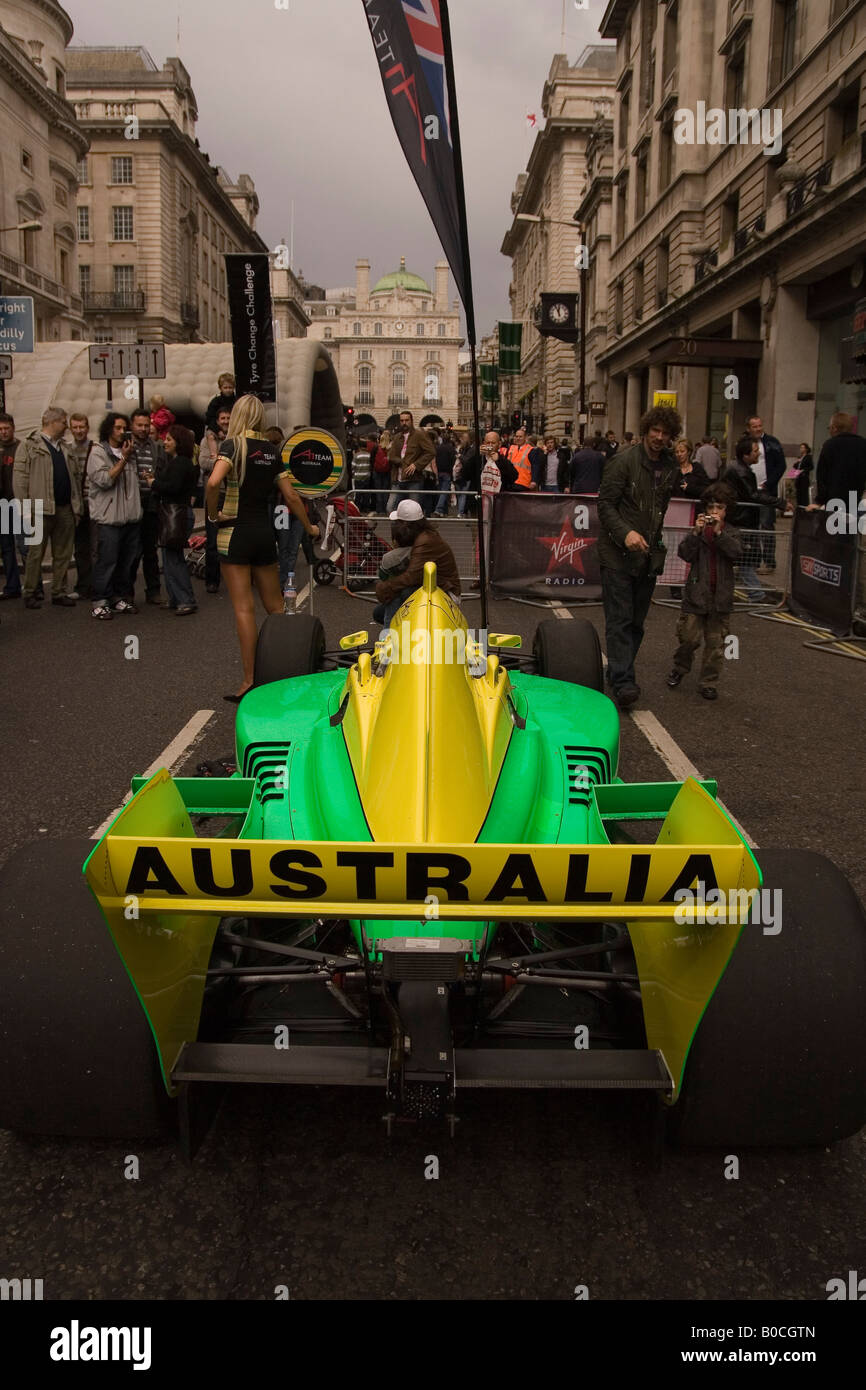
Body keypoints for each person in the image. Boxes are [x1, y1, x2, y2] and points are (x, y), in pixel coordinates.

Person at [206, 395, 319, 701]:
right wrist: (309, 528)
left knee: (244, 609)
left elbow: (214, 483)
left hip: (234, 534)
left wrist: (213, 514)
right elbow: (292, 496)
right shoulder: (271, 451)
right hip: (263, 534)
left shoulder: (231, 446)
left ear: (239, 416)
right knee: (277, 607)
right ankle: (287, 672)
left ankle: (249, 680)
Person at [597, 404, 681, 709]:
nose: (659, 437)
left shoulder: (670, 466)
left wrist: (651, 541)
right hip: (616, 554)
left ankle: (618, 670)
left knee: (636, 623)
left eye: (665, 433)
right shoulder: (623, 462)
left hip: (647, 556)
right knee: (619, 619)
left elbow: (661, 506)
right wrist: (626, 533)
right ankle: (623, 681)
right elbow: (605, 505)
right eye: (655, 431)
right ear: (645, 431)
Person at [666, 484, 742, 700]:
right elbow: (684, 554)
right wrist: (695, 533)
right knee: (688, 638)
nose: (714, 512)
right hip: (696, 595)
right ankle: (680, 668)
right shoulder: (698, 531)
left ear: (727, 510)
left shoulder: (731, 532)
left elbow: (736, 552)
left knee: (716, 644)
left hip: (721, 598)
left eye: (719, 507)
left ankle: (708, 682)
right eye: (711, 507)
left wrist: (718, 533)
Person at [14, 407, 81, 609]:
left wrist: (77, 506)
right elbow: (20, 480)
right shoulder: (29, 446)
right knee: (36, 552)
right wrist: (25, 509)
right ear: (52, 422)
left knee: (63, 552)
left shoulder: (65, 447)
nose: (66, 426)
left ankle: (59, 591)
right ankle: (31, 592)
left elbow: (75, 478)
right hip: (39, 507)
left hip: (64, 507)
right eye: (63, 422)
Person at [87, 413, 142, 619]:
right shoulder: (98, 453)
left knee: (126, 562)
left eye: (124, 428)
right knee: (107, 560)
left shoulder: (131, 451)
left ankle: (118, 597)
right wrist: (123, 459)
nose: (121, 432)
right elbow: (104, 480)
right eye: (117, 428)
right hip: (109, 518)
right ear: (109, 429)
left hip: (130, 517)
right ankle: (100, 600)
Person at [373, 498, 460, 627]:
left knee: (398, 594)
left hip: (445, 594)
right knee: (380, 612)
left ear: (404, 524)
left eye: (397, 522)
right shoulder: (422, 536)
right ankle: (405, 631)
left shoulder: (425, 541)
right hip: (436, 589)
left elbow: (412, 577)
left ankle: (389, 637)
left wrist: (386, 587)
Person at [720, 436, 781, 603]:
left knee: (742, 559)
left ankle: (752, 594)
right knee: (742, 558)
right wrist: (779, 502)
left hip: (740, 519)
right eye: (755, 450)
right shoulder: (741, 471)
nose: (759, 453)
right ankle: (755, 595)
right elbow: (753, 496)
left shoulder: (740, 468)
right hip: (740, 520)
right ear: (745, 455)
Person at [151, 423, 198, 615]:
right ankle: (176, 598)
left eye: (169, 439)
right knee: (169, 558)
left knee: (174, 558)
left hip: (176, 513)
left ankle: (186, 599)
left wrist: (154, 482)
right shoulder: (181, 462)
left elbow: (173, 487)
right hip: (176, 513)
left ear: (179, 442)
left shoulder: (180, 463)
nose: (165, 442)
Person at [128, 409, 165, 605]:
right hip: (131, 503)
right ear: (132, 426)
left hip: (151, 503)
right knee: (132, 551)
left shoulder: (156, 447)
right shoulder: (126, 446)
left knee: (151, 550)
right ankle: (127, 593)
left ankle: (153, 591)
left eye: (146, 425)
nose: (143, 429)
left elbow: (163, 471)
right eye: (139, 425)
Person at [745, 415, 785, 571]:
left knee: (766, 525)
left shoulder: (772, 443)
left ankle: (769, 562)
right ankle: (753, 561)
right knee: (750, 526)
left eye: (760, 425)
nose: (758, 429)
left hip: (766, 491)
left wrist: (769, 483)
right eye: (754, 426)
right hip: (749, 491)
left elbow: (781, 466)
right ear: (749, 428)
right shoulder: (745, 443)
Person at [808, 412, 866, 515]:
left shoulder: (829, 445)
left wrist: (819, 501)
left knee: (834, 527)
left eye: (829, 427)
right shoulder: (863, 444)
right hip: (854, 497)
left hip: (833, 499)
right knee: (849, 527)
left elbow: (822, 476)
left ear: (834, 428)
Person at [199, 406, 232, 592]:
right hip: (215, 495)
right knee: (212, 540)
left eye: (228, 417)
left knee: (233, 539)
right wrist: (225, 461)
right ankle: (212, 580)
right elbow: (203, 462)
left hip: (232, 495)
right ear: (217, 420)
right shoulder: (207, 440)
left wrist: (218, 459)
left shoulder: (236, 438)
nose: (226, 421)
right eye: (223, 418)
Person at [67, 413, 95, 599]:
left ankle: (97, 586)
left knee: (95, 548)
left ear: (87, 427)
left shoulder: (95, 448)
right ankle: (83, 586)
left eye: (82, 427)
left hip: (92, 503)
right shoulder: (67, 450)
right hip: (75, 506)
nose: (79, 431)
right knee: (80, 548)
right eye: (75, 427)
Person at [387, 410, 435, 513]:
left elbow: (431, 452)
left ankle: (414, 528)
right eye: (402, 420)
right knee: (391, 508)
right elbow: (391, 456)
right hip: (398, 479)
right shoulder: (397, 437)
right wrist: (403, 462)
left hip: (414, 480)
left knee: (414, 511)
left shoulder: (419, 435)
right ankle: (400, 528)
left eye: (406, 420)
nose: (404, 423)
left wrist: (416, 465)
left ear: (411, 421)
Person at [0, 411, 22, 599]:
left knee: (25, 546)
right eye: (0, 429)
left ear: (13, 429)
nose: (3, 432)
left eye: (7, 428)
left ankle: (35, 586)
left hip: (19, 503)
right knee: (6, 548)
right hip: (2, 505)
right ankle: (12, 587)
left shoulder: (20, 448)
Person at [433, 428, 456, 516]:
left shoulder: (438, 448)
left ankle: (443, 511)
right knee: (444, 492)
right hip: (447, 472)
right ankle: (439, 509)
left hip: (439, 472)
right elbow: (453, 461)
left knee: (441, 492)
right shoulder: (451, 448)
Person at [368, 432, 391, 516]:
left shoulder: (376, 447)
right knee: (386, 490)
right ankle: (384, 509)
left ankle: (379, 509)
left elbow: (371, 459)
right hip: (387, 471)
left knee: (378, 491)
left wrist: (372, 469)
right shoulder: (389, 448)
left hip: (376, 471)